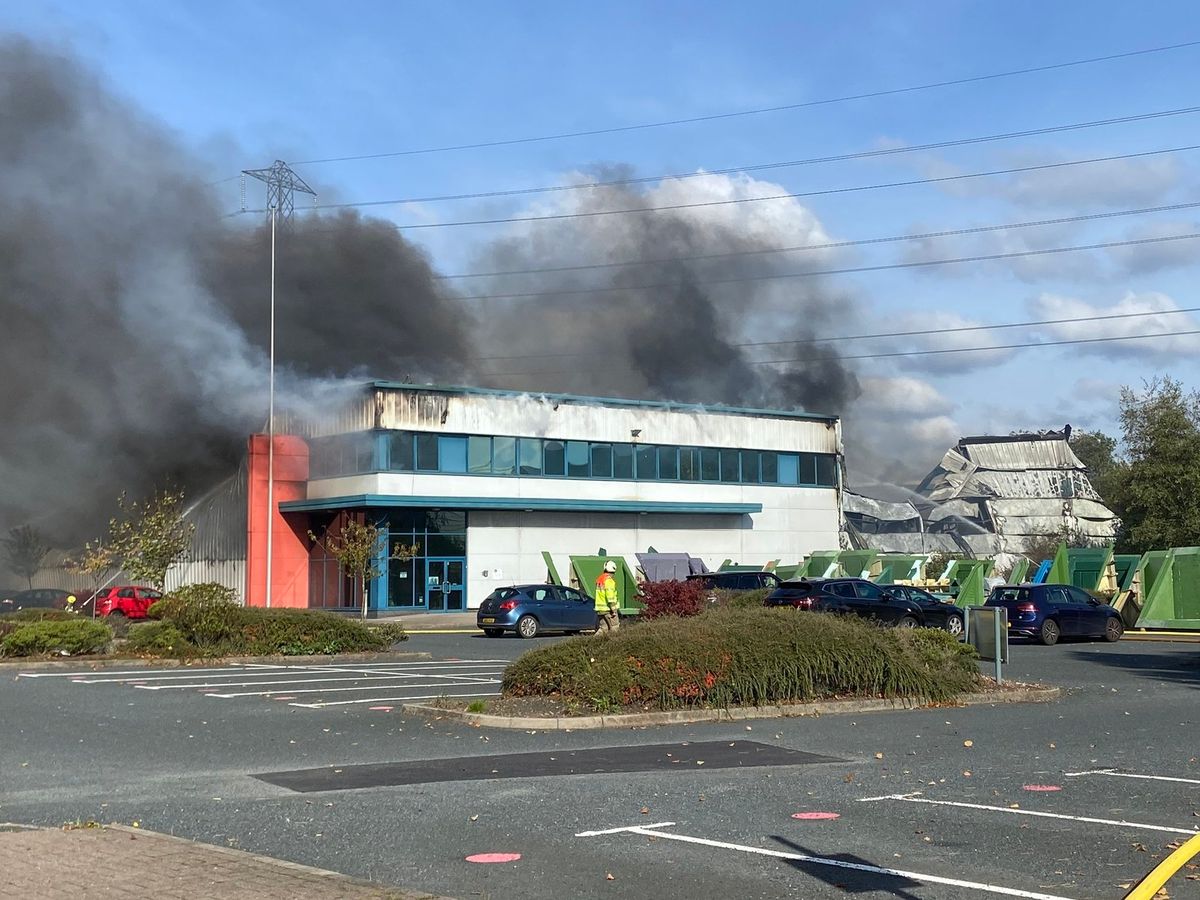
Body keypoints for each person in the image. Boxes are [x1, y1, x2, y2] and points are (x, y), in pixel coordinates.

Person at [594, 560, 620, 632]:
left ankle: (591, 643)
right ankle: (614, 643)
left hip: (600, 609)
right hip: (608, 609)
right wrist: (613, 610)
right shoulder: (609, 581)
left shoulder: (600, 579)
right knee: (615, 627)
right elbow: (610, 596)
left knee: (603, 629)